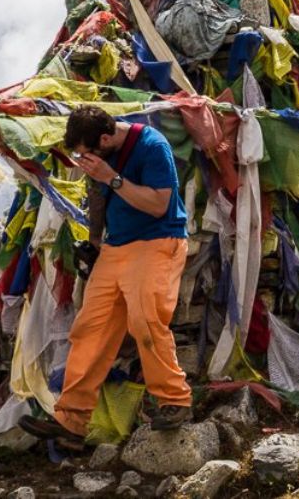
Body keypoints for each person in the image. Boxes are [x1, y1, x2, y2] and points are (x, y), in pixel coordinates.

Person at [20, 106, 192, 449]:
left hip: (158, 239)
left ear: (105, 138)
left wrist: (112, 177)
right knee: (90, 329)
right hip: (116, 246)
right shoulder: (98, 157)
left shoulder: (152, 147)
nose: (85, 159)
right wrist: (95, 240)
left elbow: (160, 205)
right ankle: (71, 420)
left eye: (87, 152)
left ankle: (175, 401)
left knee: (145, 320)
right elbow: (98, 196)